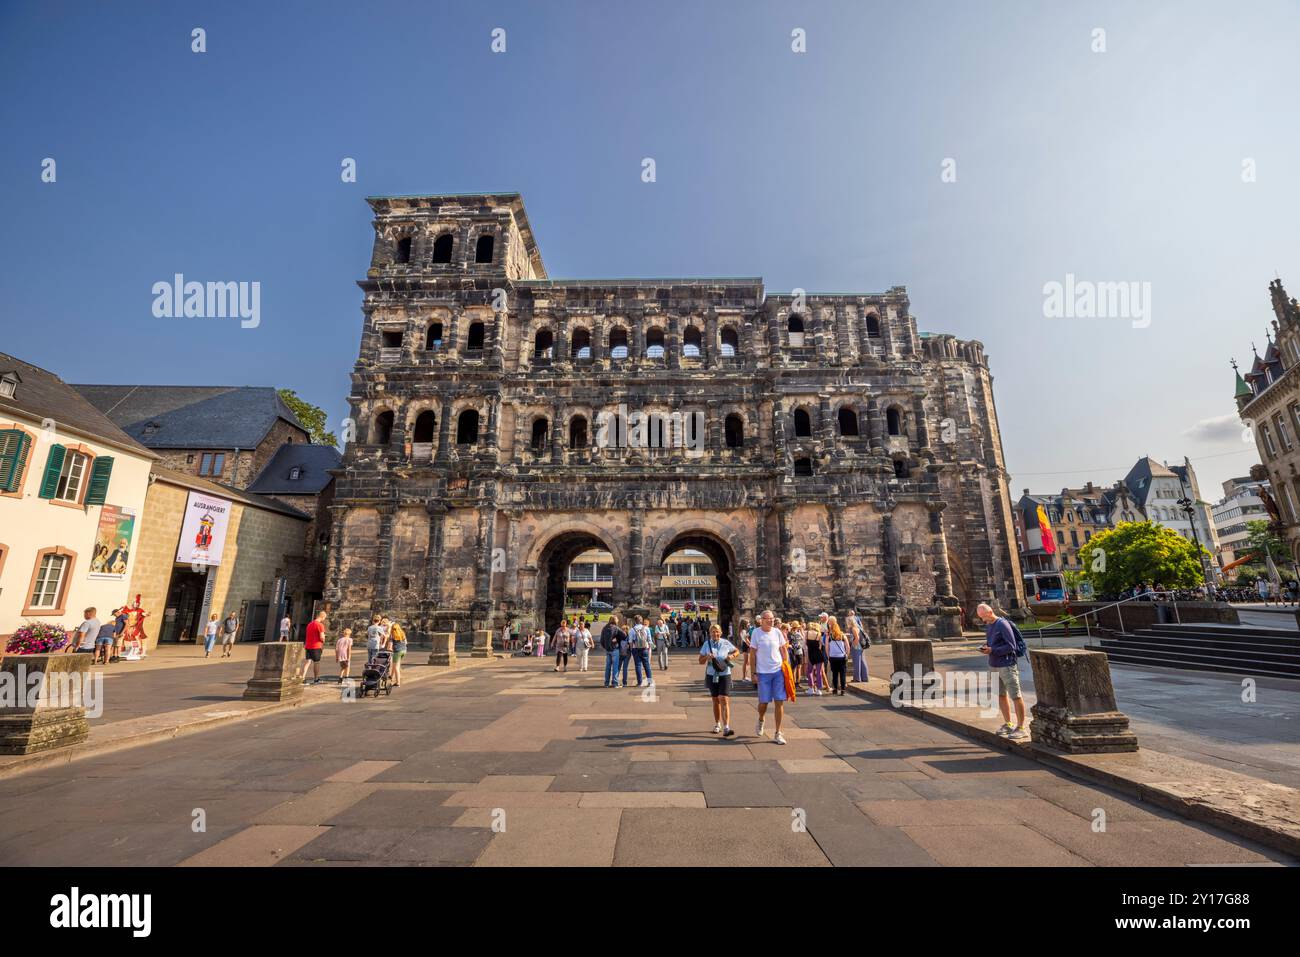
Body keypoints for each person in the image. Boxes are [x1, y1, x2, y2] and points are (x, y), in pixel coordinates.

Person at [977, 602, 1027, 740]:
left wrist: (993, 650)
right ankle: (1008, 723)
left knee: (1015, 695)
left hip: (1006, 664)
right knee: (1000, 695)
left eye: (983, 616)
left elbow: (1011, 646)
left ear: (990, 611)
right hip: (993, 664)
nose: (982, 620)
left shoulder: (1002, 624)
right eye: (980, 617)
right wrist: (986, 647)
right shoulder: (989, 626)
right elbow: (992, 643)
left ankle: (1021, 727)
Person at [748, 609, 789, 744]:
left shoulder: (777, 632)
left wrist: (786, 666)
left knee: (779, 701)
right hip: (763, 673)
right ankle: (761, 719)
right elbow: (752, 654)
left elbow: (783, 649)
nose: (771, 621)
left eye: (772, 618)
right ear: (762, 620)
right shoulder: (756, 633)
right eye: (768, 619)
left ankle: (778, 732)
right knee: (763, 703)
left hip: (777, 671)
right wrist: (753, 673)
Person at [699, 622, 739, 737]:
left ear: (721, 633)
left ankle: (726, 727)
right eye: (713, 631)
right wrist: (707, 657)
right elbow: (700, 661)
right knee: (715, 700)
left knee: (724, 699)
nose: (715, 633)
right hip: (712, 674)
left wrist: (731, 656)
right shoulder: (707, 644)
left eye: (717, 631)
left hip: (725, 674)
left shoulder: (726, 643)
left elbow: (737, 651)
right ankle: (717, 724)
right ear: (710, 633)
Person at [301, 610, 327, 684]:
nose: (324, 619)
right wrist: (324, 640)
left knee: (307, 662)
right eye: (324, 618)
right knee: (316, 662)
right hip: (316, 646)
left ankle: (302, 678)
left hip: (308, 645)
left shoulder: (309, 624)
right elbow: (322, 637)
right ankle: (316, 679)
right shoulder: (320, 625)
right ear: (322, 617)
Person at [825, 617, 849, 695]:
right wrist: (847, 655)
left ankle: (835, 689)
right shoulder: (843, 635)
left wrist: (828, 656)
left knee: (834, 674)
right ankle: (843, 690)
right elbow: (848, 647)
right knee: (842, 674)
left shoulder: (829, 636)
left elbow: (827, 648)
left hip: (833, 657)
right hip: (842, 657)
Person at [601, 615, 627, 688]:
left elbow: (601, 640)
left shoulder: (605, 628)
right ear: (615, 621)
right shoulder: (616, 628)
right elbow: (624, 635)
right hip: (615, 649)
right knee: (615, 667)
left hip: (608, 650)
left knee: (608, 667)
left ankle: (606, 683)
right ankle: (615, 683)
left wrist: (606, 647)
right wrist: (618, 639)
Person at [629, 615, 654, 686]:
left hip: (635, 648)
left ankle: (639, 682)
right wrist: (650, 647)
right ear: (641, 621)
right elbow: (649, 639)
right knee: (647, 665)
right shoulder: (646, 628)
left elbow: (630, 641)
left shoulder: (632, 630)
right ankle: (650, 682)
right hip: (644, 648)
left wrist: (631, 649)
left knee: (638, 665)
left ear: (635, 621)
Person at [805, 620, 826, 695]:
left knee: (809, 671)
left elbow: (805, 645)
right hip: (818, 654)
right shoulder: (819, 634)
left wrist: (806, 656)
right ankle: (818, 689)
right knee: (819, 672)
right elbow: (820, 645)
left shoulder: (807, 633)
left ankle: (811, 688)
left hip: (810, 654)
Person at [848, 612, 869, 683]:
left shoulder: (853, 628)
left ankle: (857, 678)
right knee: (862, 661)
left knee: (856, 662)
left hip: (857, 646)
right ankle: (865, 678)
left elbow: (857, 637)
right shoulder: (858, 627)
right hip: (861, 645)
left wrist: (853, 645)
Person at [389, 618, 407, 686]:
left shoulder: (392, 635)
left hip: (397, 651)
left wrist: (389, 649)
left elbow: (390, 646)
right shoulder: (402, 633)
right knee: (396, 665)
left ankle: (398, 682)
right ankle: (391, 676)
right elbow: (406, 642)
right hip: (404, 650)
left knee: (396, 667)